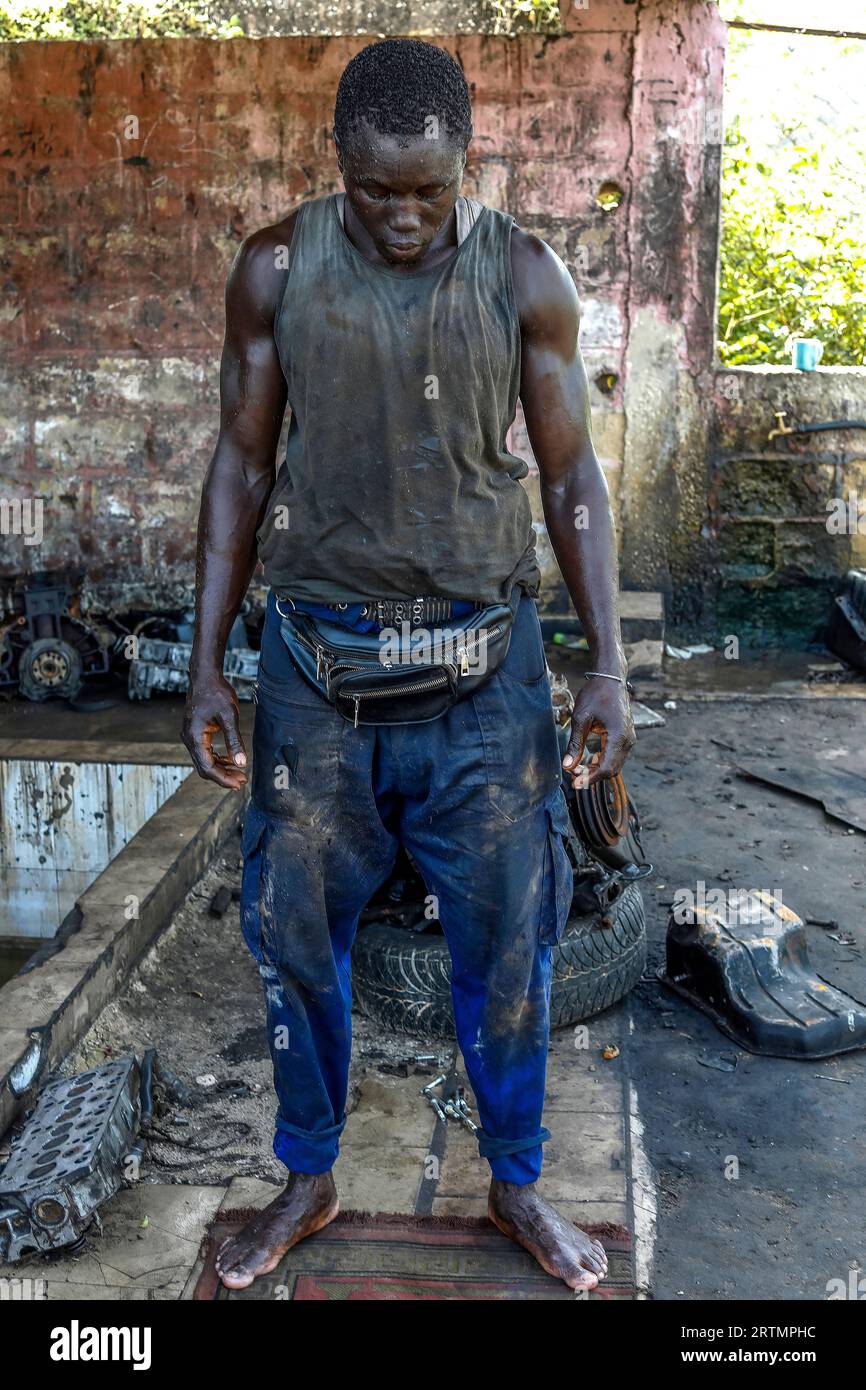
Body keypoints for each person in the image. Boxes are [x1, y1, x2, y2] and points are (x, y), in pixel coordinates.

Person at [182, 37, 635, 1292]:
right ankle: (308, 1176)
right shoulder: (276, 269)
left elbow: (567, 476)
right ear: (338, 165)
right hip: (314, 674)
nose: (399, 216)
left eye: (426, 191)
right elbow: (241, 460)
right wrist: (205, 661)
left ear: (464, 165)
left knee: (511, 942)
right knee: (291, 936)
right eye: (374, 189)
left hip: (483, 677)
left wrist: (604, 664)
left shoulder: (523, 276)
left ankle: (517, 1185)